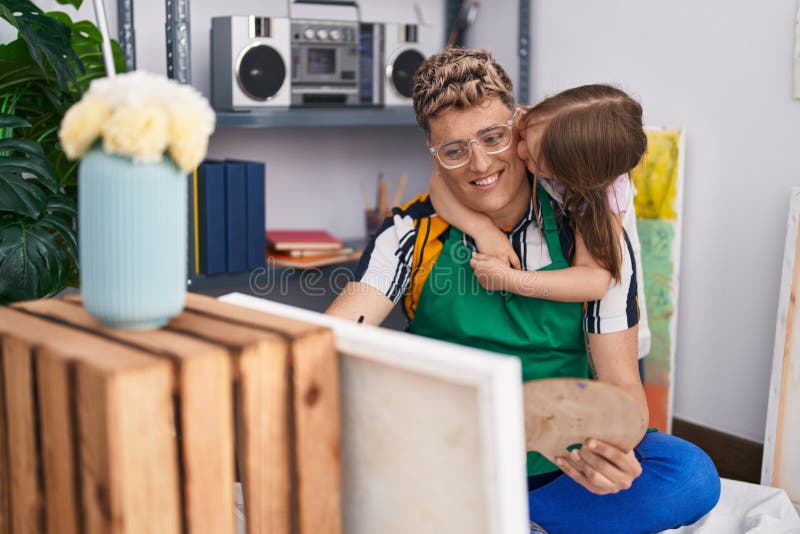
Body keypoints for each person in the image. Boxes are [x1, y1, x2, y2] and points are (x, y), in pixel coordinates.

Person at [326, 47, 719, 533]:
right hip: (450, 457)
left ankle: (496, 520)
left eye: (493, 137)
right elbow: (338, 330)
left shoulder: (590, 235)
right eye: (454, 150)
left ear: (519, 128)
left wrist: (614, 452)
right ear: (435, 155)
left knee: (691, 476)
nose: (479, 163)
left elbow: (623, 387)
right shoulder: (413, 230)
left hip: (559, 466)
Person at [429, 84, 644, 305]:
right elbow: (438, 182)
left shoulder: (602, 198)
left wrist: (511, 280)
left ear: (570, 178)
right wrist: (483, 230)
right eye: (523, 136)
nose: (519, 151)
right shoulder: (540, 121)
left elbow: (594, 281)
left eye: (533, 159)